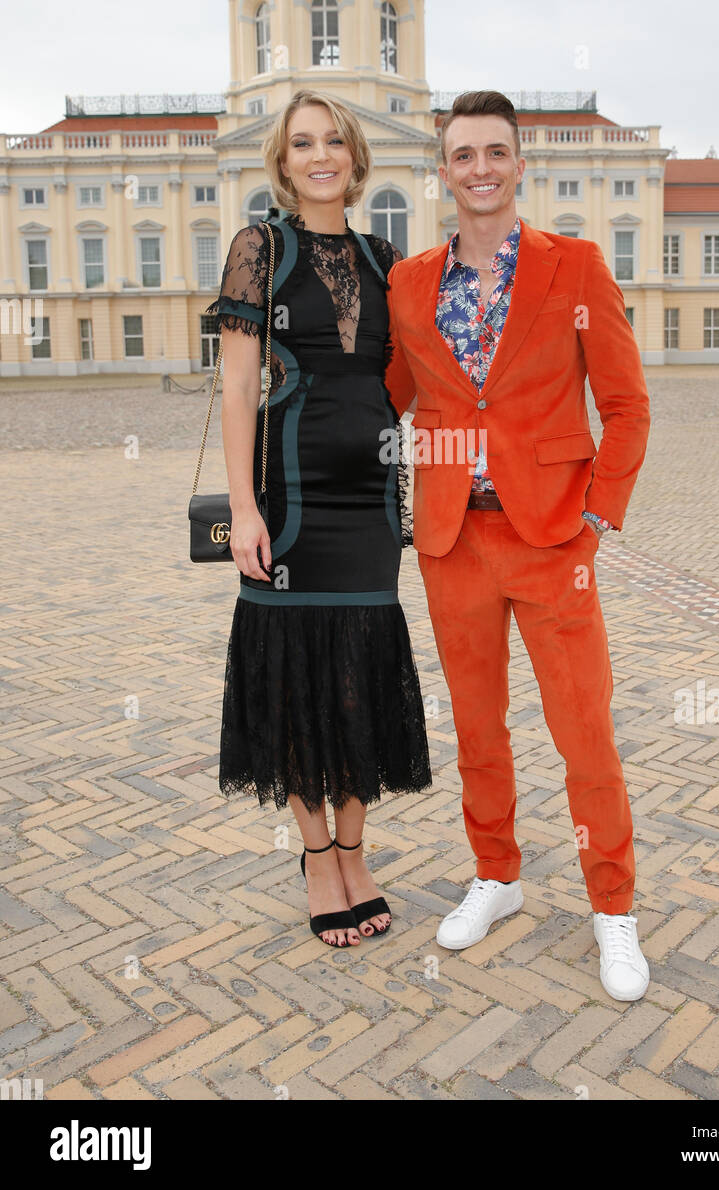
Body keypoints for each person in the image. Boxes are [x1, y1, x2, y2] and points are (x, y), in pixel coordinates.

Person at [384, 90, 652, 1001]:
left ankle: (612, 908)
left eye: (496, 152)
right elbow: (384, 399)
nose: (481, 169)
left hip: (551, 539)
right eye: (464, 155)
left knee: (585, 731)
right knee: (476, 729)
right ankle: (497, 877)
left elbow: (625, 403)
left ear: (518, 164)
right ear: (445, 169)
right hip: (454, 541)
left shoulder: (573, 267)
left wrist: (600, 513)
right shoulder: (411, 283)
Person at [207, 90, 431, 949]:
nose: (320, 155)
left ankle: (355, 851)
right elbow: (235, 386)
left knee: (358, 677)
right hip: (289, 496)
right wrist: (243, 510)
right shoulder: (260, 248)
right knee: (296, 676)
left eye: (333, 140)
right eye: (302, 143)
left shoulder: (384, 259)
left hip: (372, 503)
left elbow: (414, 377)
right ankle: (315, 859)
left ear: (355, 155)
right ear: (283, 160)